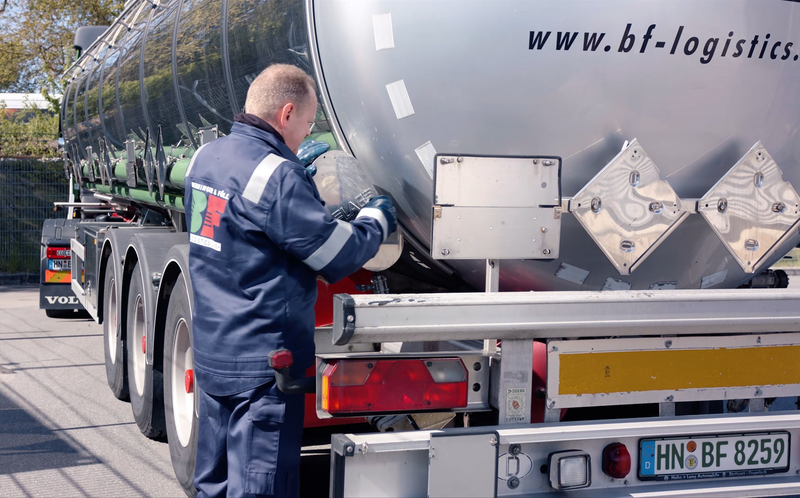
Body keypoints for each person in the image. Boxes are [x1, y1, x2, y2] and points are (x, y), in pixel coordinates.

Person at [184, 64, 396, 498]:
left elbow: (242, 236)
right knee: (262, 486)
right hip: (263, 364)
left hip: (213, 349)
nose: (306, 130)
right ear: (285, 114)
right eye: (306, 121)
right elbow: (335, 254)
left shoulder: (206, 157)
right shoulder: (276, 175)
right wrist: (375, 217)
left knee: (215, 481)